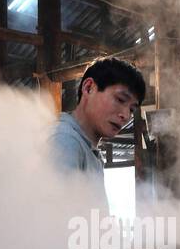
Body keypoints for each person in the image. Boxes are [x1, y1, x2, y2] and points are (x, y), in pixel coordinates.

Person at [47, 57, 145, 208]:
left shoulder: (89, 150)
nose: (126, 115)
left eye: (132, 109)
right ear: (88, 88)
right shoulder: (65, 141)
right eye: (120, 99)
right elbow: (55, 221)